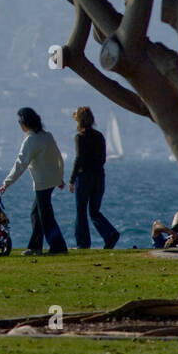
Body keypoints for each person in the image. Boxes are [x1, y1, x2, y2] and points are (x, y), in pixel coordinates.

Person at [0, 107, 68, 255]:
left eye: (19, 121)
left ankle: (58, 247)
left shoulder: (31, 140)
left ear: (25, 123)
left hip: (42, 182)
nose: (19, 124)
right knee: (37, 213)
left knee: (45, 216)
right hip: (51, 180)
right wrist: (59, 177)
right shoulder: (47, 136)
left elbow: (21, 163)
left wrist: (7, 182)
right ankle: (35, 246)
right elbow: (58, 157)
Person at [67, 106, 119, 249]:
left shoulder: (80, 137)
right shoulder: (100, 136)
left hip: (84, 177)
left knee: (81, 211)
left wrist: (72, 179)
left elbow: (79, 158)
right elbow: (103, 159)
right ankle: (110, 234)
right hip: (99, 176)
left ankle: (83, 243)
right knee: (94, 211)